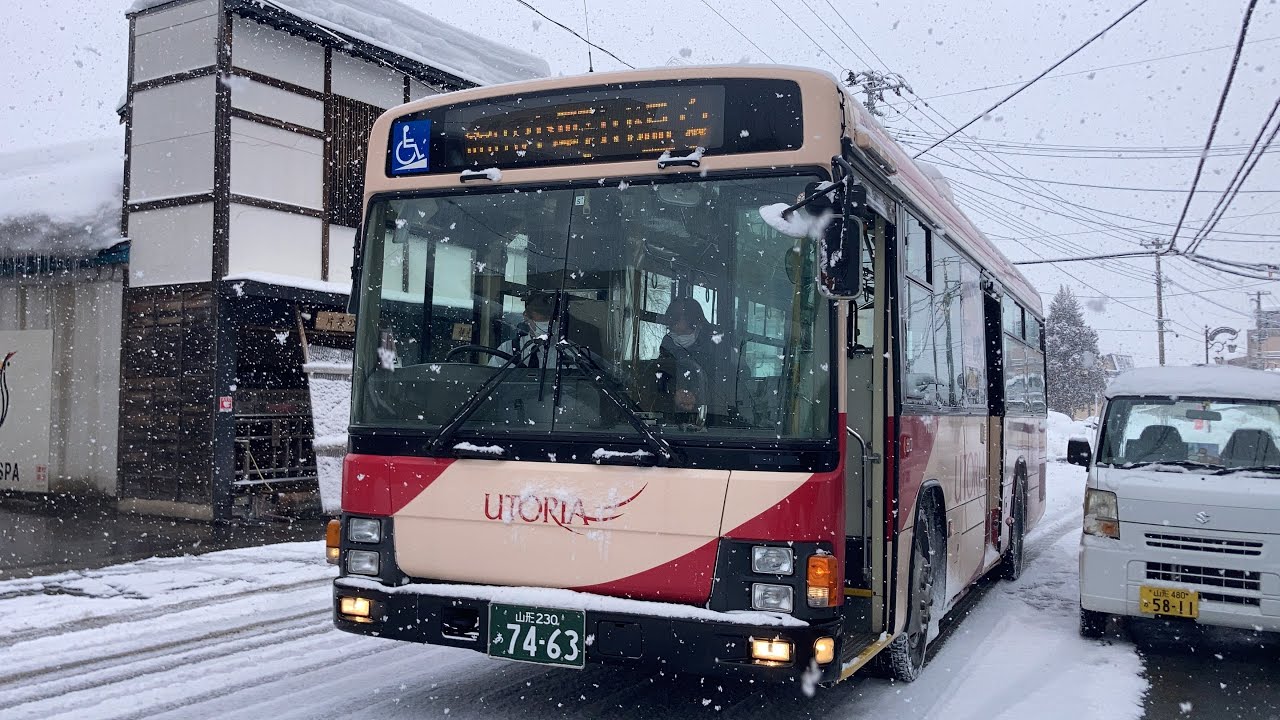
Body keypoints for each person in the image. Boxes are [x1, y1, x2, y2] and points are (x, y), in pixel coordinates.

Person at [656, 297, 731, 419]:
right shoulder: (667, 343)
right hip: (672, 419)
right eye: (669, 317)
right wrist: (673, 395)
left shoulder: (717, 344)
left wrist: (696, 396)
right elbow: (661, 377)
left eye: (675, 317)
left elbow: (725, 384)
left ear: (692, 319)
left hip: (714, 420)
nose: (670, 321)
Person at [490, 292, 557, 367]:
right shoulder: (507, 349)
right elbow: (488, 375)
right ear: (526, 316)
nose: (546, 322)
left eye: (549, 317)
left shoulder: (565, 353)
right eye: (542, 315)